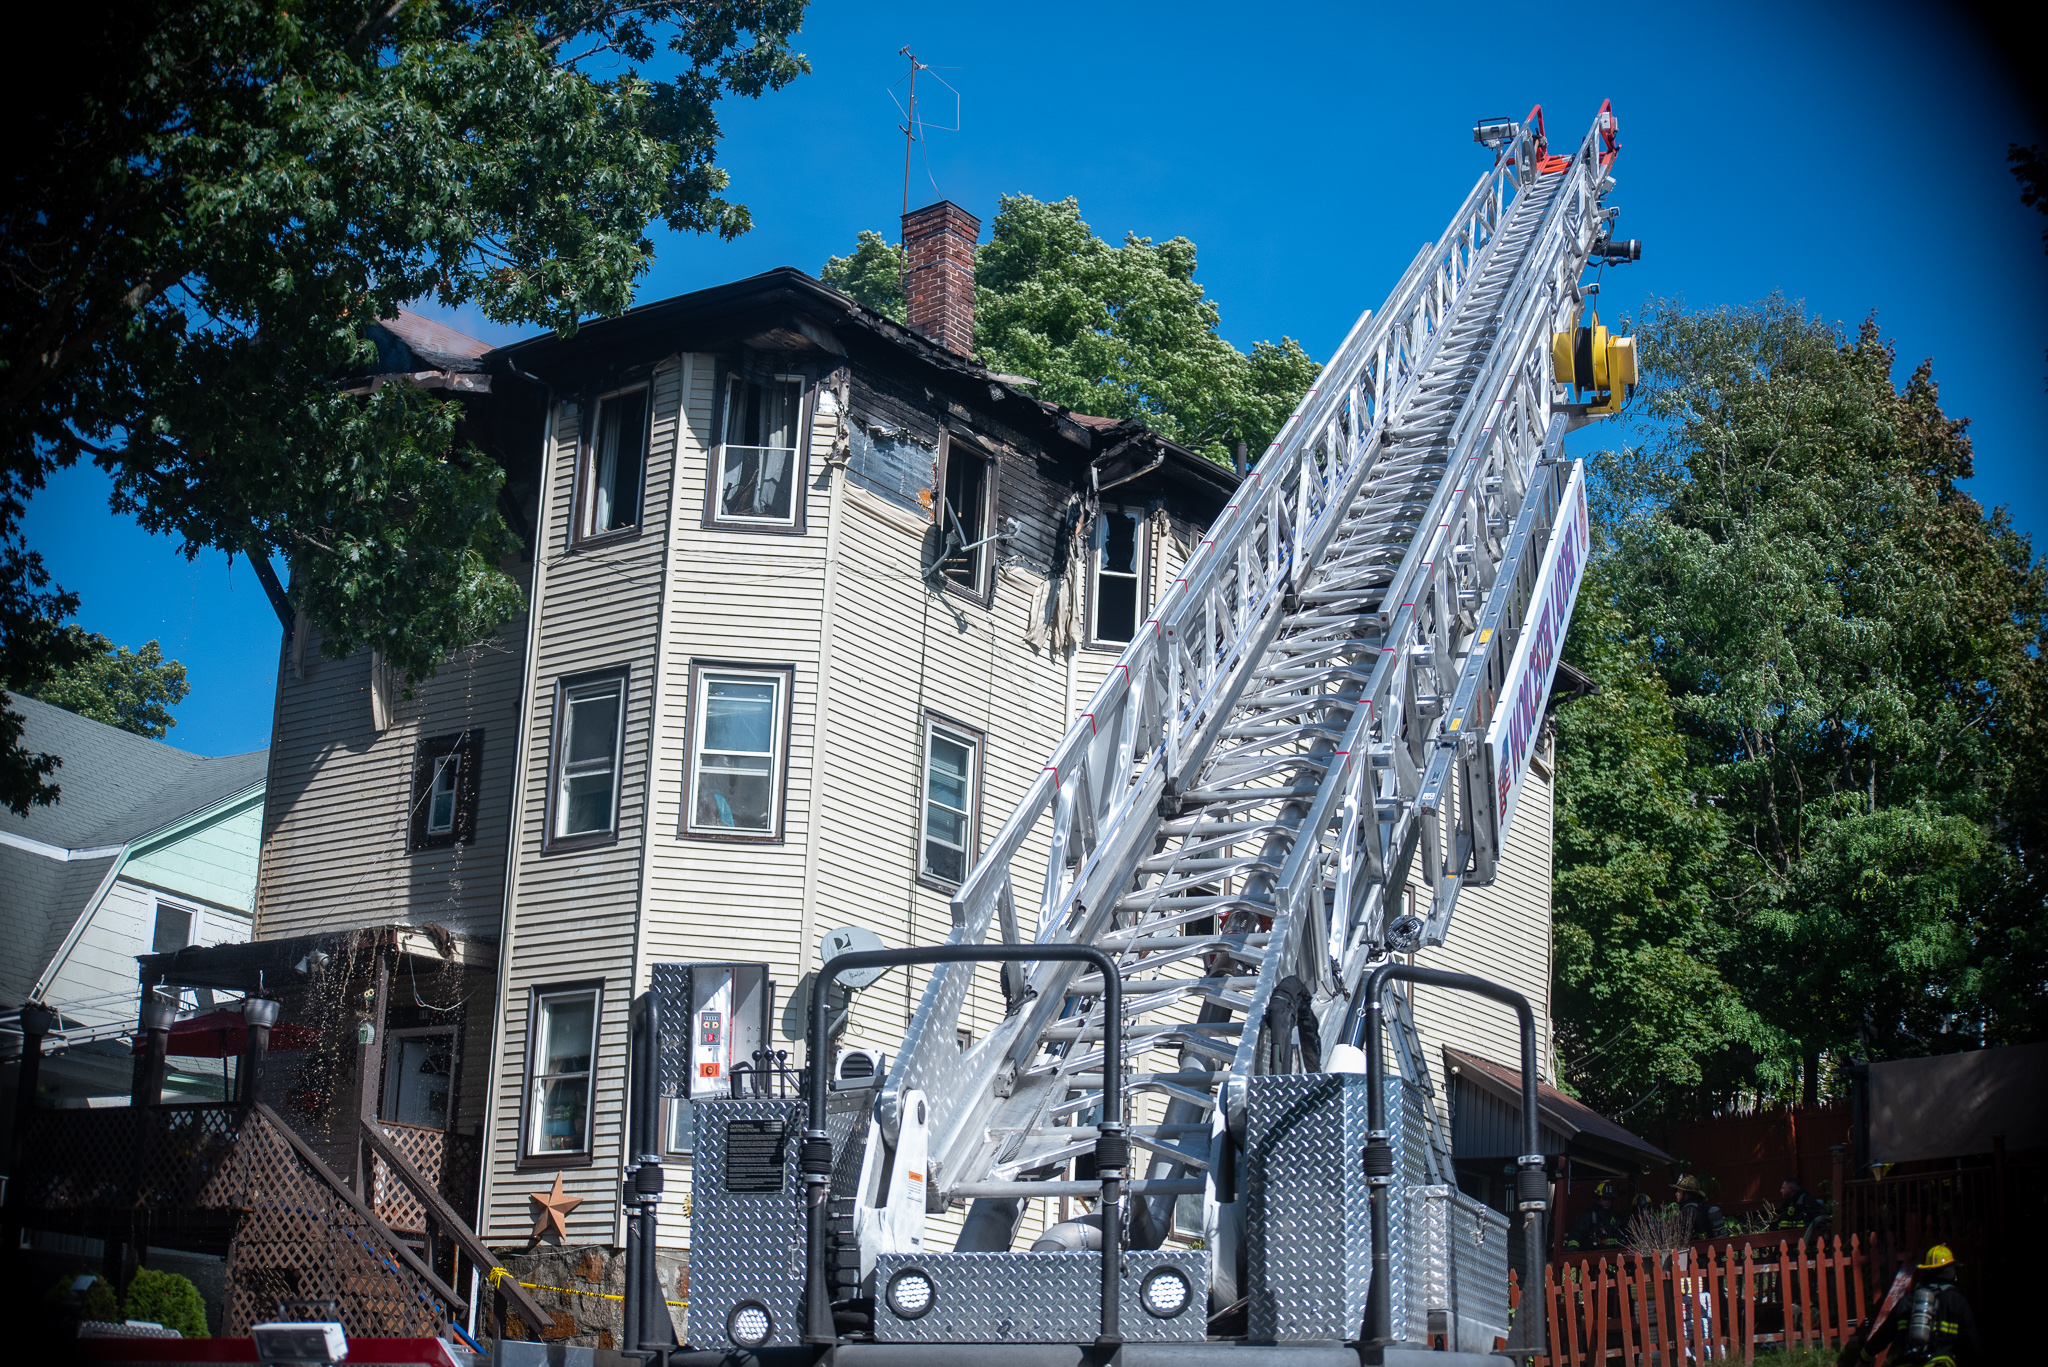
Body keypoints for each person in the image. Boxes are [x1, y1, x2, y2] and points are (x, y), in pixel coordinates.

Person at [1846, 1245, 1981, 1367]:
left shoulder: (1908, 1300)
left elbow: (1883, 1335)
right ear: (1951, 1271)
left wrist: (1863, 1358)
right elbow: (1972, 1343)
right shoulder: (1957, 1302)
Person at [1564, 1180, 1627, 1252]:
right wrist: (1573, 1246)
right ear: (1598, 1199)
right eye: (1604, 1198)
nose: (1607, 1202)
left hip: (1612, 1258)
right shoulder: (1589, 1217)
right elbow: (1576, 1234)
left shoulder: (1614, 1219)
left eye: (1609, 1199)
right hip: (1592, 1258)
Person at [1672, 1173, 1727, 1242]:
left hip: (1699, 1249)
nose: (1676, 1194)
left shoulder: (1688, 1211)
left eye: (1679, 1191)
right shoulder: (1701, 1206)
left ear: (1687, 1194)